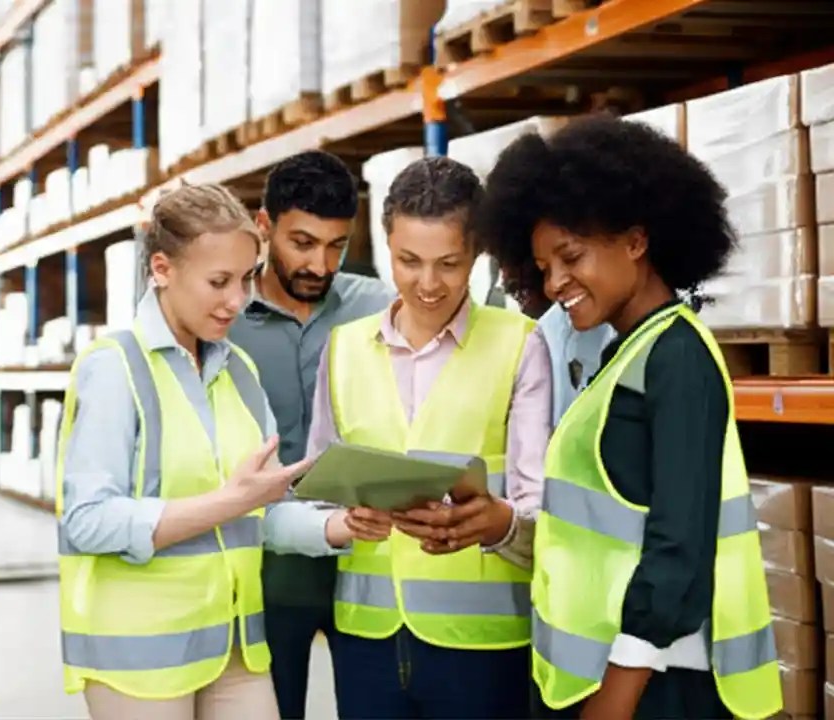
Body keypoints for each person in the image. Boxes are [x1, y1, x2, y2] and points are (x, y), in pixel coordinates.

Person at [478, 113, 782, 720]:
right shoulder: (627, 354)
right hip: (597, 678)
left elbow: (678, 552)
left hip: (653, 687)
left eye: (571, 256)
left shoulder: (677, 360)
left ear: (636, 242)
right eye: (543, 268)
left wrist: (617, 693)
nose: (556, 281)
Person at [54, 183, 373, 720]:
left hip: (235, 645)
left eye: (247, 278)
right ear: (162, 268)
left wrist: (341, 527)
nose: (238, 300)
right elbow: (87, 520)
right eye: (218, 282)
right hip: (142, 656)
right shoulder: (114, 368)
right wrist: (229, 502)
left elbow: (262, 513)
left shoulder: (239, 373)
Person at [306, 156, 552, 719]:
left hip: (482, 646)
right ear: (384, 242)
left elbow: (541, 509)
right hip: (366, 640)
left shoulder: (521, 344)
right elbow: (317, 491)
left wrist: (495, 521)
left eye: (449, 263)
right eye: (407, 261)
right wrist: (341, 522)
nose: (428, 283)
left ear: (477, 254)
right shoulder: (342, 349)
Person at [227, 150, 395, 718]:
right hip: (267, 572)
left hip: (365, 558)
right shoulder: (223, 321)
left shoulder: (378, 309)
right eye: (302, 243)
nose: (320, 265)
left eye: (336, 246)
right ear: (264, 225)